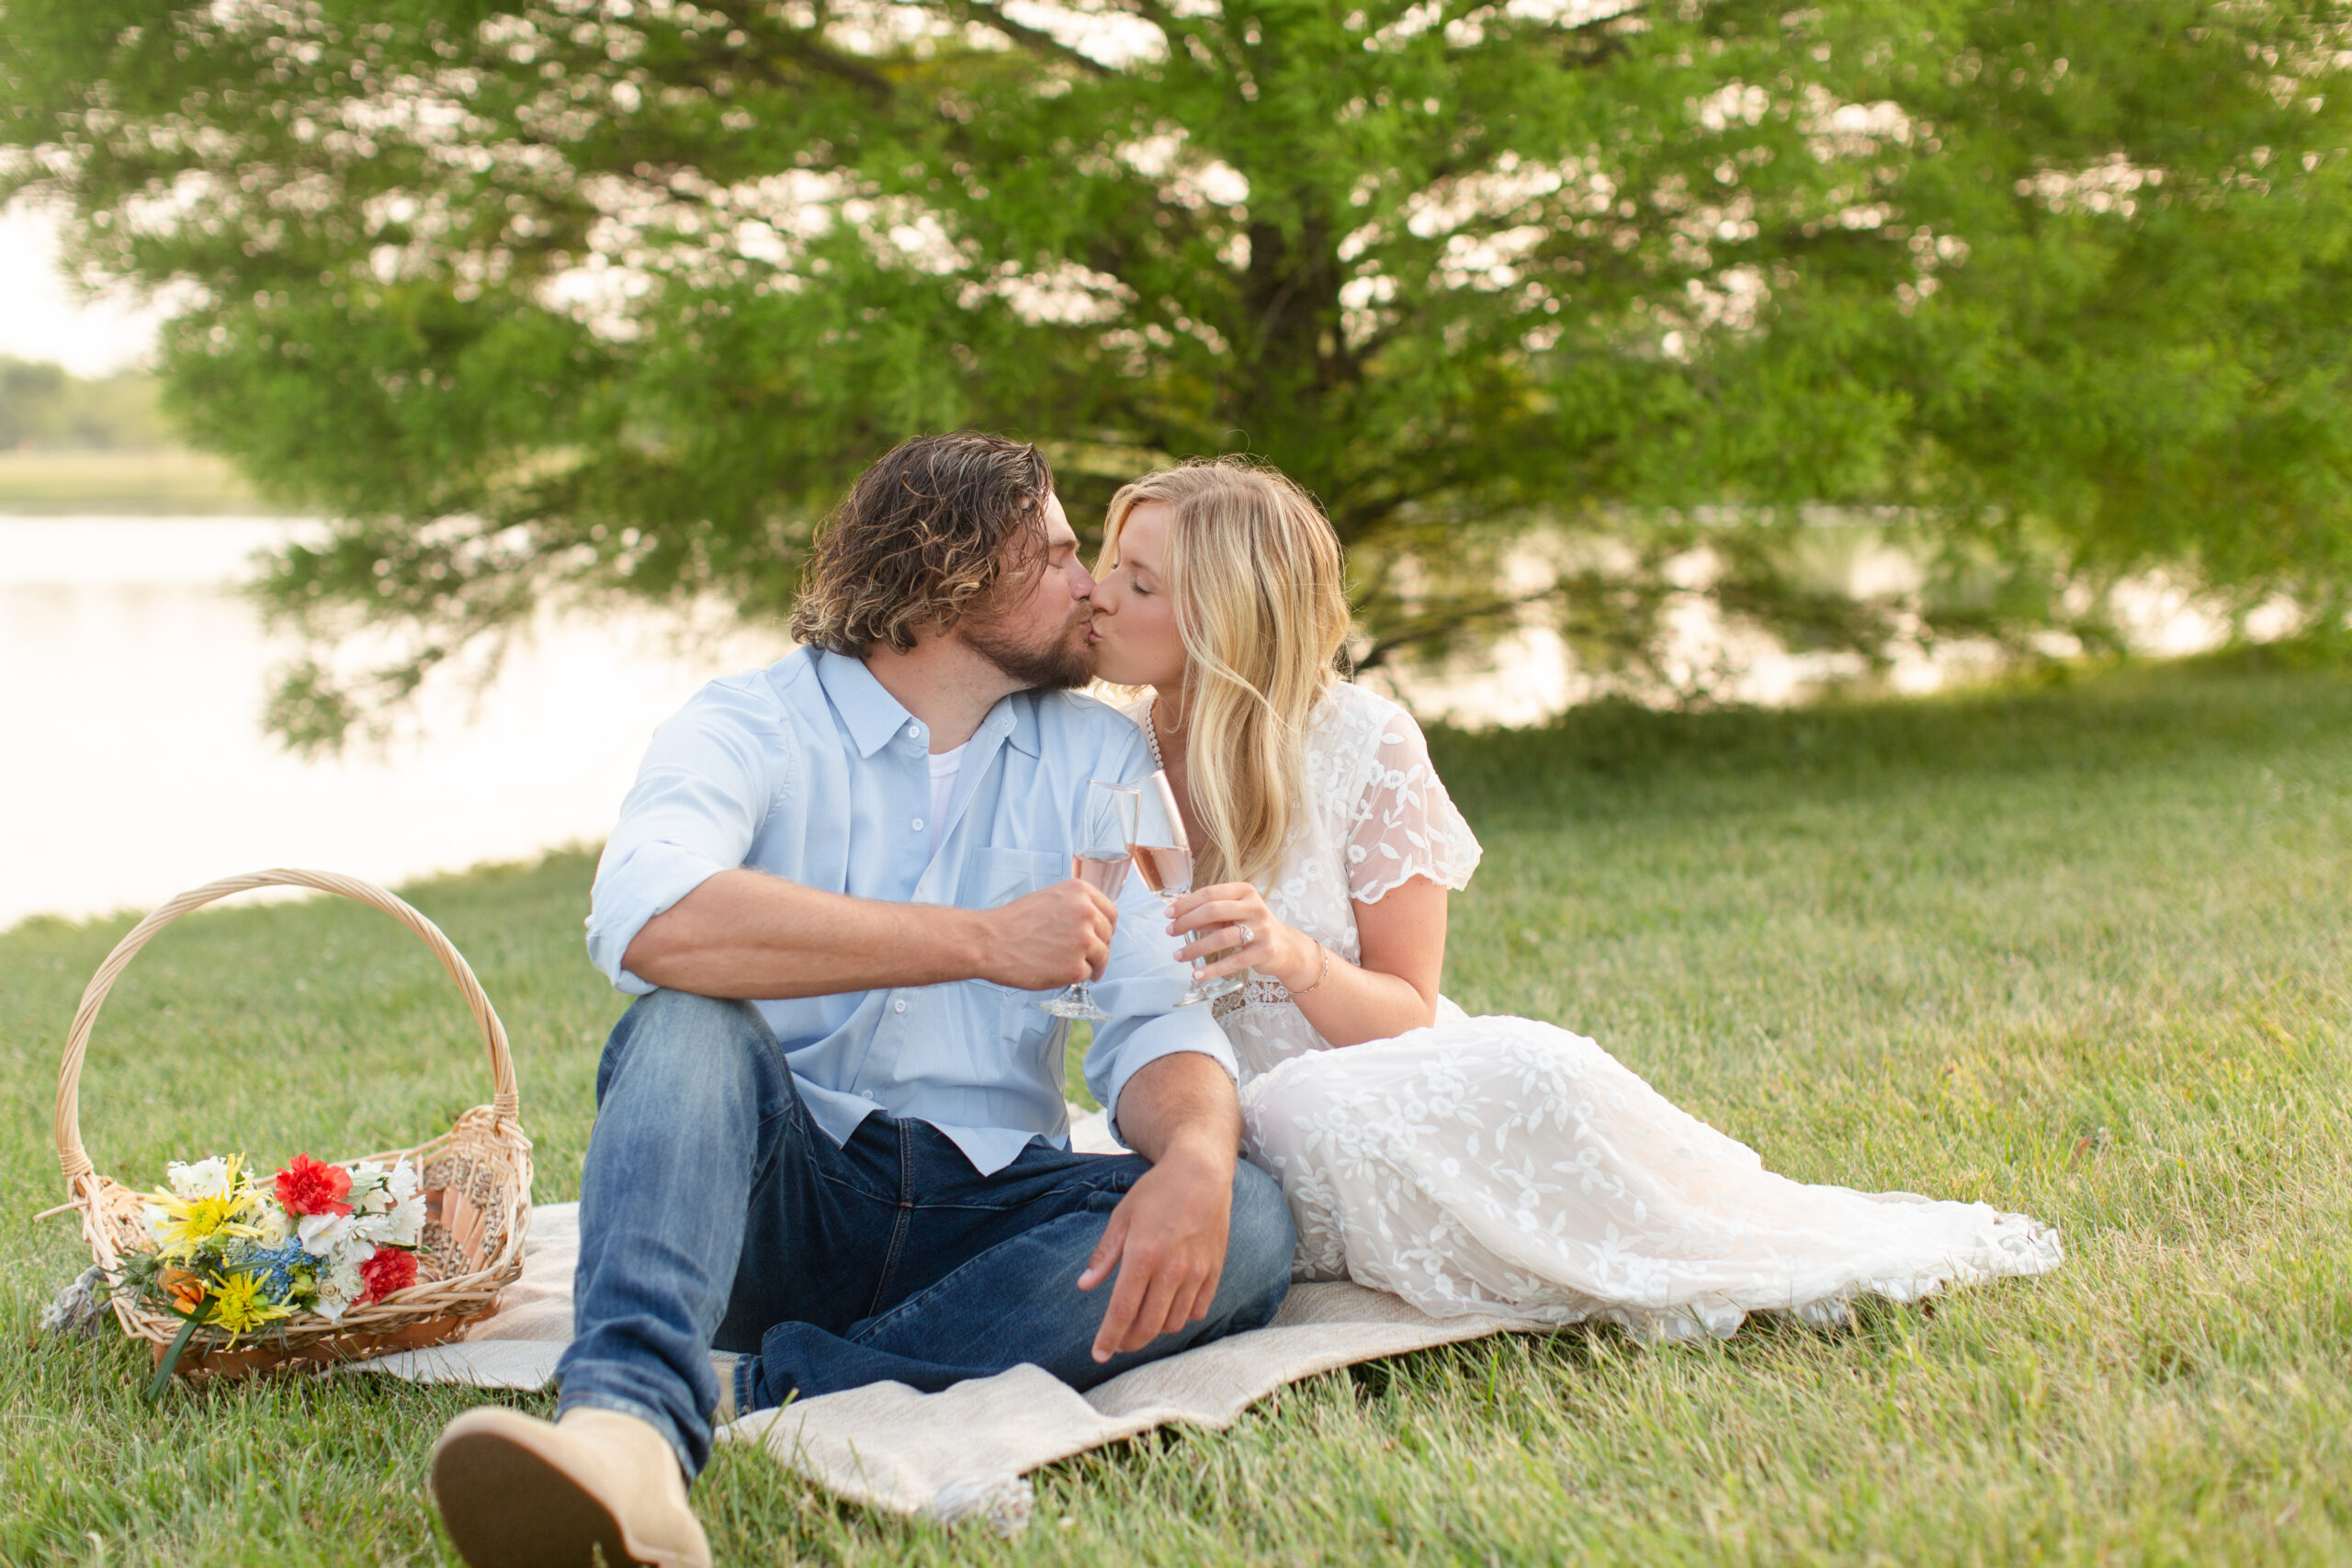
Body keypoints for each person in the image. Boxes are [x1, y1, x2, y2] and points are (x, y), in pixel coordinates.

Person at [428, 434, 1295, 1568]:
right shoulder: (748, 724)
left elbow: (1154, 1015)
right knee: (684, 1021)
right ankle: (627, 1430)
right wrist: (979, 943)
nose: (1089, 588)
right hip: (775, 1198)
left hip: (981, 1216)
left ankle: (781, 1386)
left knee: (1251, 1215)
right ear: (948, 576)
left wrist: (1191, 1157)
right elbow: (649, 921)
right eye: (1055, 557)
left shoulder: (1100, 754)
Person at [1084, 456, 2063, 1343]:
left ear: (1227, 616)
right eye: (1106, 563)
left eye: (1138, 582)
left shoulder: (1364, 746)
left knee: (1464, 1077)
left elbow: (1407, 1014)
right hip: (1208, 1115)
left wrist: (1292, 958)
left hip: (1368, 1083)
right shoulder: (1096, 751)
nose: (1097, 594)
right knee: (1286, 1113)